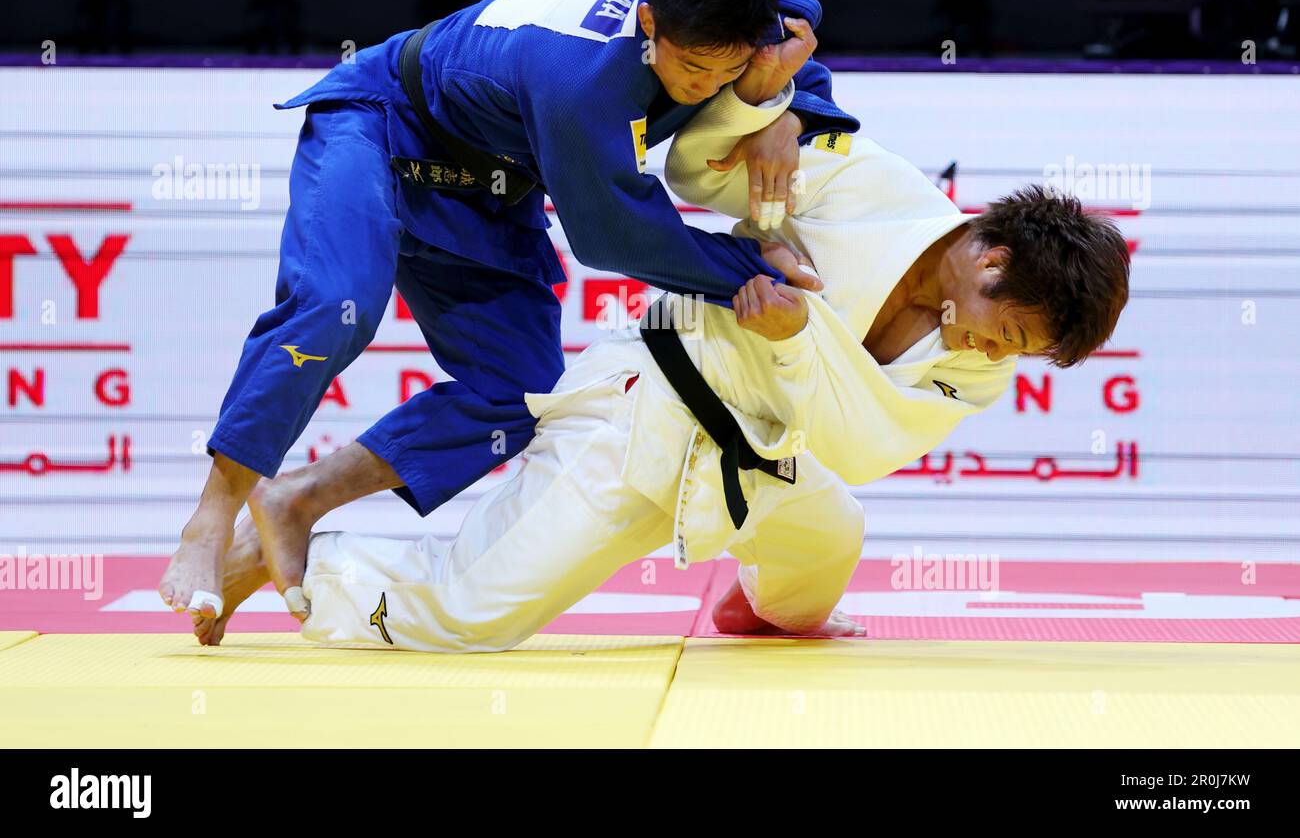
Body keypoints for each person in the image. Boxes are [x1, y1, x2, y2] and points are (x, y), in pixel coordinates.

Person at [197, 79, 1130, 649]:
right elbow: (688, 164)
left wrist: (797, 341)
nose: (989, 360)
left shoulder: (977, 360)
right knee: (470, 617)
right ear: (992, 259)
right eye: (1003, 337)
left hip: (769, 461)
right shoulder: (865, 183)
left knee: (829, 537)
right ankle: (295, 557)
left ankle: (763, 610)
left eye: (1014, 358)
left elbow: (868, 444)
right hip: (649, 410)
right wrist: (771, 118)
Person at [159, 0, 858, 625]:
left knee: (516, 393)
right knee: (337, 303)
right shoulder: (582, 78)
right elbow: (616, 237)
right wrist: (745, 268)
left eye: (727, 71)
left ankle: (297, 499)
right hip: (382, 122)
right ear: (649, 19)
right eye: (689, 69)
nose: (706, 86)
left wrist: (782, 109)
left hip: (492, 184)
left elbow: (805, 29)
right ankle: (213, 516)